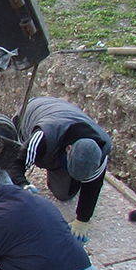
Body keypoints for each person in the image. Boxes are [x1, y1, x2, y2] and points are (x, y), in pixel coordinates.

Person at [18, 96, 112, 235]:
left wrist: (82, 220)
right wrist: (22, 184)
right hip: (30, 113)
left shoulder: (101, 148)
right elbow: (15, 163)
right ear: (68, 149)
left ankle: (54, 164)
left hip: (60, 140)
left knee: (64, 194)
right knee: (9, 184)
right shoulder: (43, 136)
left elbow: (93, 185)